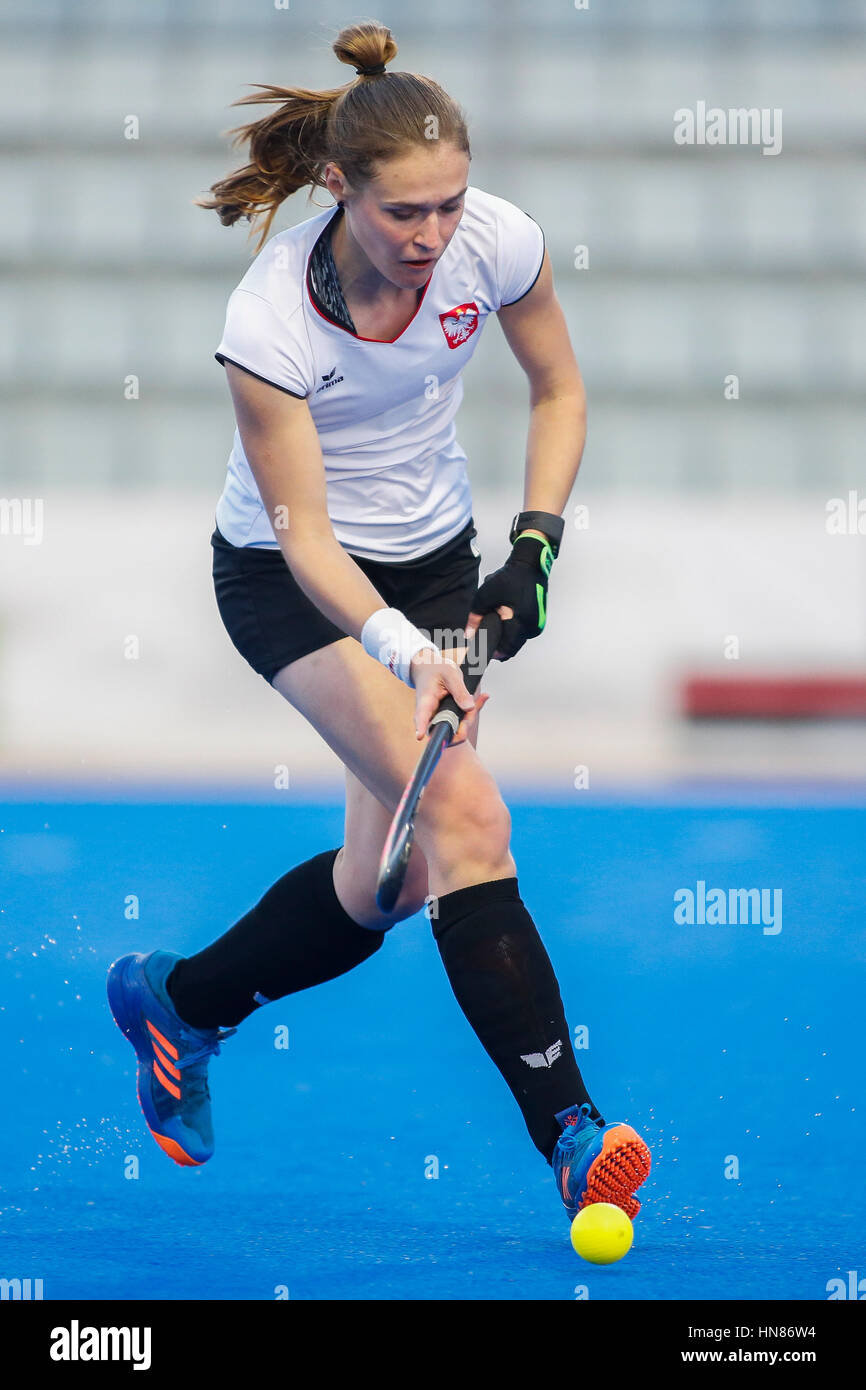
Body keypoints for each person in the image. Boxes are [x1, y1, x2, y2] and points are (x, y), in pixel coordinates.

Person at [107, 20, 651, 1225]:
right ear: (338, 186)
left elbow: (558, 386)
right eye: (406, 213)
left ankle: (179, 1001)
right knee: (464, 812)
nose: (433, 237)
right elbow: (303, 539)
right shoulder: (269, 326)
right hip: (292, 587)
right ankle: (570, 1133)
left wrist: (533, 548)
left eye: (450, 205)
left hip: (437, 566)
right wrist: (404, 650)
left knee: (382, 884)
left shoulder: (494, 242)